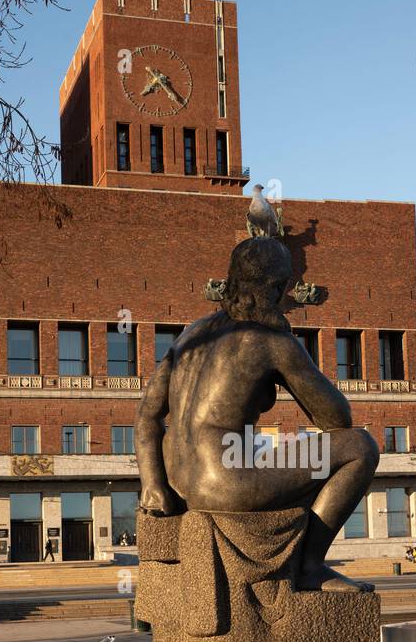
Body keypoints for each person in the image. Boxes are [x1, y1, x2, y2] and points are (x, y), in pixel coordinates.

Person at [136, 236, 378, 591]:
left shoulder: (190, 334)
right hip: (226, 482)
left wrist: (153, 484)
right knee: (360, 447)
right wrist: (294, 356)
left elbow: (147, 416)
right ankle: (311, 566)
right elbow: (337, 422)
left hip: (177, 483)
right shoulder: (271, 341)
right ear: (278, 288)